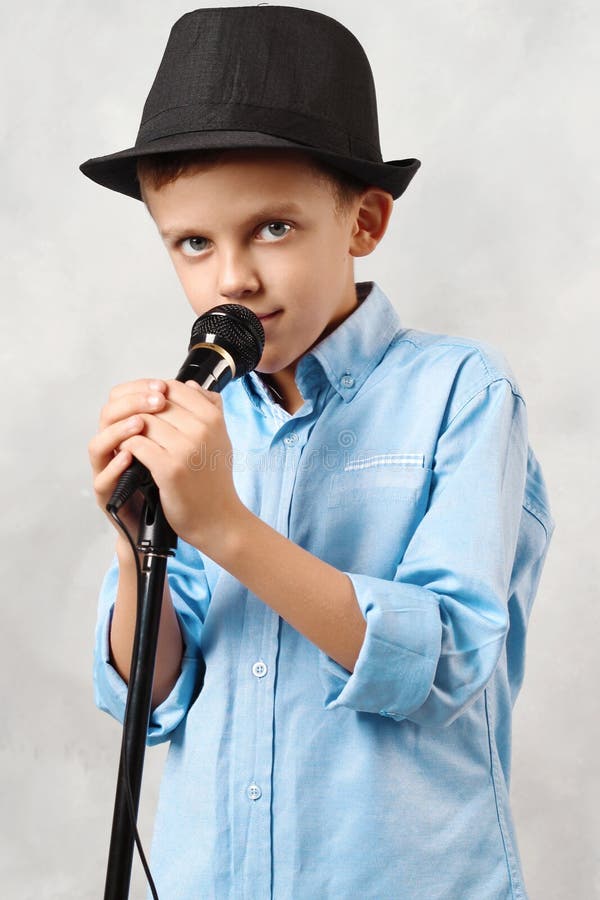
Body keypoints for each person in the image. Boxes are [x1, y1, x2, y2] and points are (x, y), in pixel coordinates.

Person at [81, 6, 555, 898]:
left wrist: (223, 526)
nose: (232, 278)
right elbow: (145, 698)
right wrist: (136, 536)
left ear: (365, 221)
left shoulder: (462, 393)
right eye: (193, 242)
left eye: (273, 228)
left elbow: (444, 661)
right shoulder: (201, 426)